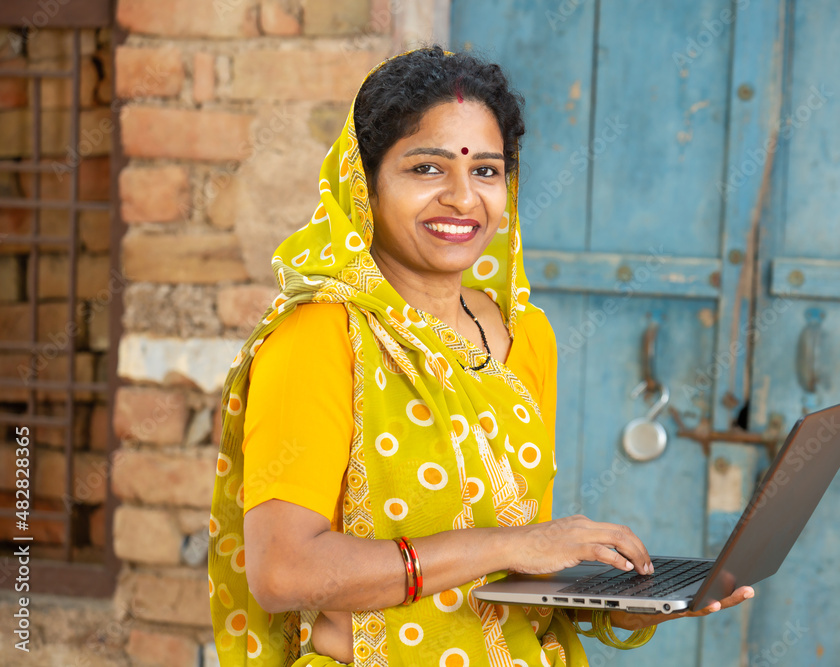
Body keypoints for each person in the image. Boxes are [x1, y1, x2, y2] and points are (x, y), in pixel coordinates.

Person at [208, 45, 753, 666]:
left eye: (487, 171)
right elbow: (283, 572)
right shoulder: (319, 338)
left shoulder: (526, 335)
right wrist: (502, 545)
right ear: (364, 182)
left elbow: (519, 570)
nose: (464, 199)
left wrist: (623, 601)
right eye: (426, 169)